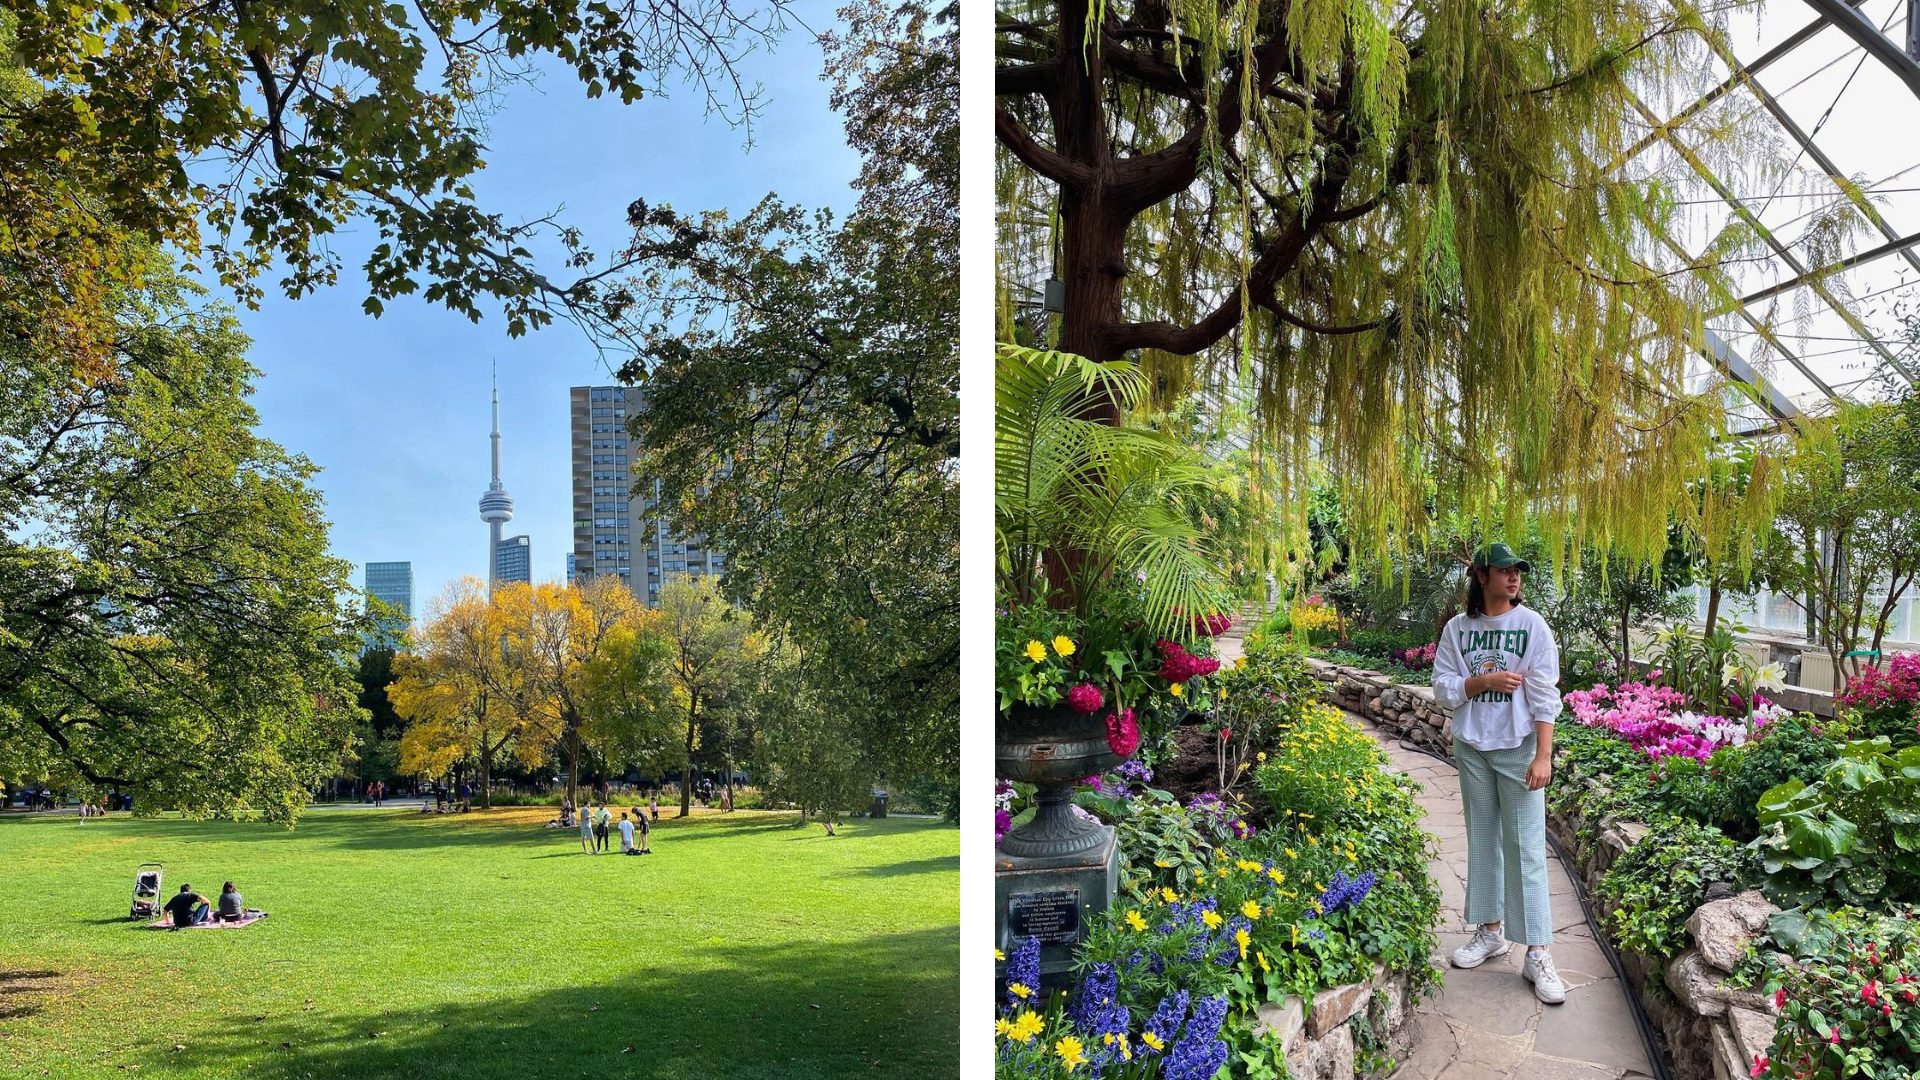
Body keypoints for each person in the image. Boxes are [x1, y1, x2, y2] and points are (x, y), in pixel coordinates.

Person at [1432, 542, 1567, 1005]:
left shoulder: (1531, 626)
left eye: (1517, 571)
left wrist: (1544, 756)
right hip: (1472, 748)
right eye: (1504, 570)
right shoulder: (1458, 629)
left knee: (1526, 847)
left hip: (1519, 748)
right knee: (1483, 840)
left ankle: (1538, 952)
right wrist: (1482, 682)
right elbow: (1442, 688)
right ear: (1481, 575)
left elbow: (1546, 695)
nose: (1514, 577)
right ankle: (1491, 933)